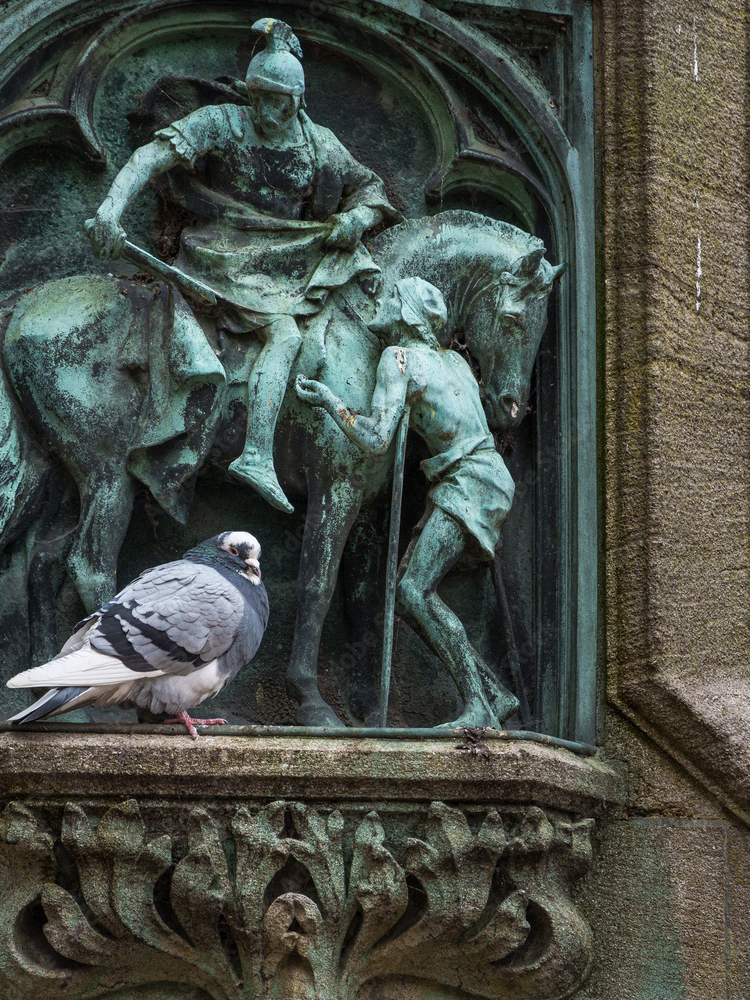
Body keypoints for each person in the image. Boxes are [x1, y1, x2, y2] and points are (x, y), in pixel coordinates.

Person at [88, 17, 398, 513]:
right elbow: (151, 157)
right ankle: (255, 455)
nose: (266, 109)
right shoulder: (222, 122)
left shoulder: (319, 144)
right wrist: (110, 208)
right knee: (287, 335)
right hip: (222, 253)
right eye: (259, 95)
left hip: (292, 256)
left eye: (278, 100)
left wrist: (356, 218)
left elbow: (371, 189)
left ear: (297, 101)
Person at [295, 277, 520, 729]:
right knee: (411, 589)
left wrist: (329, 401)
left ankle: (479, 708)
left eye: (391, 298)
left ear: (406, 311)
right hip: (492, 475)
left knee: (415, 591)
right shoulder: (454, 360)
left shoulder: (399, 359)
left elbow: (377, 439)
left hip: (467, 480)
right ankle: (497, 694)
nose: (382, 304)